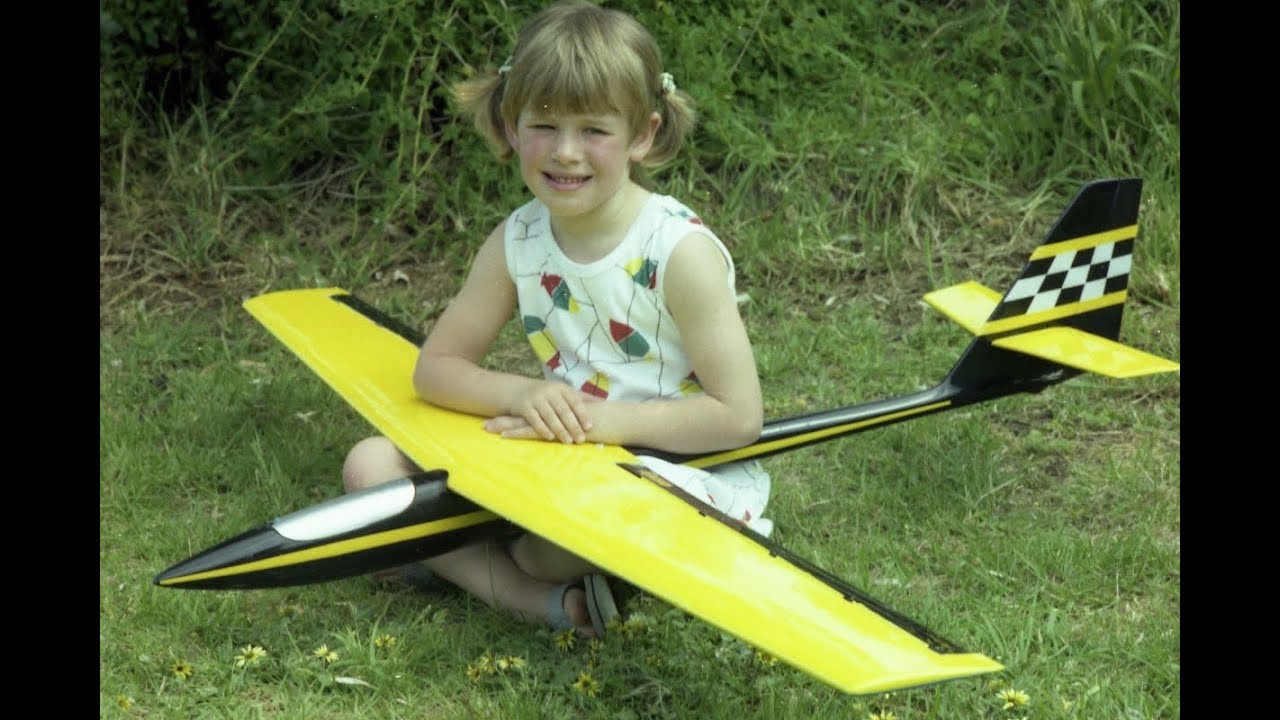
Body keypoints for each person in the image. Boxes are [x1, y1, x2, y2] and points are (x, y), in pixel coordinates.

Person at [341, 0, 772, 638]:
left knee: (556, 541)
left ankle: (492, 578)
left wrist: (596, 421)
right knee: (368, 466)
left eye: (594, 130)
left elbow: (738, 417)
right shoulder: (519, 239)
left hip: (664, 470)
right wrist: (527, 392)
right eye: (543, 124)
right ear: (511, 126)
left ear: (643, 135)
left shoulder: (679, 253)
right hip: (551, 458)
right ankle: (521, 588)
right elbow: (436, 370)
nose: (566, 152)